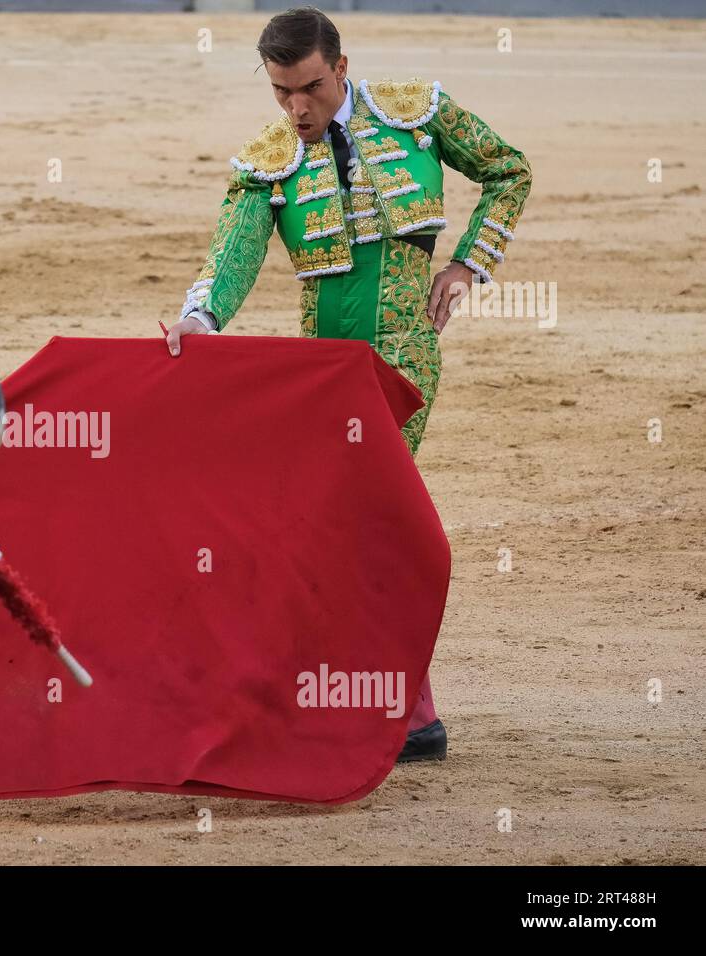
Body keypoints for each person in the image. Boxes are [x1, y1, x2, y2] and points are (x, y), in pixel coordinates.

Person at [168, 6, 532, 762]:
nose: (297, 109)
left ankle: (400, 706)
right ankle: (393, 705)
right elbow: (231, 254)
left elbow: (508, 170)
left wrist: (468, 263)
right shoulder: (268, 159)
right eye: (280, 92)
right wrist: (198, 319)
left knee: (363, 522)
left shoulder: (417, 113)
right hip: (320, 374)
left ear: (340, 66)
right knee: (347, 527)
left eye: (309, 88)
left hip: (402, 362)